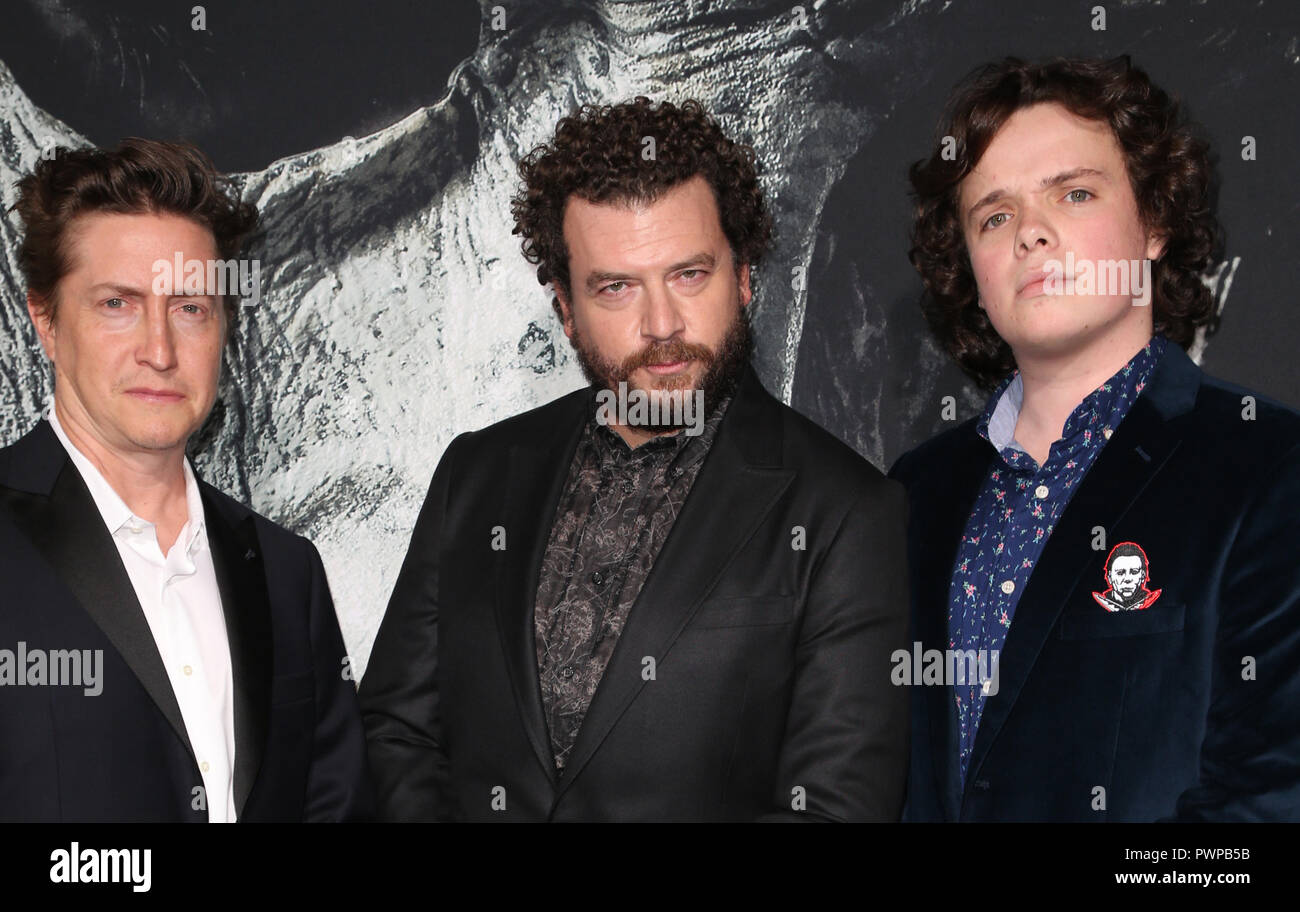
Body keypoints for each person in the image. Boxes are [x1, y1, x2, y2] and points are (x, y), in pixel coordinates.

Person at [360, 97, 909, 821]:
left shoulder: (847, 511)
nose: (661, 326)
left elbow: (836, 810)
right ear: (564, 307)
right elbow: (393, 730)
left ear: (743, 277)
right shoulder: (478, 472)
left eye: (689, 275)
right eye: (617, 287)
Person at [892, 55, 1300, 821]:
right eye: (995, 215)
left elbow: (1271, 801)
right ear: (972, 273)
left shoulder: (1269, 468)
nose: (1031, 235)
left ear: (1154, 225)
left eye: (1074, 193)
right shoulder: (914, 493)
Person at [0, 139, 371, 821]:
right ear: (45, 321)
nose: (161, 350)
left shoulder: (288, 573)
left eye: (191, 308)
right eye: (118, 303)